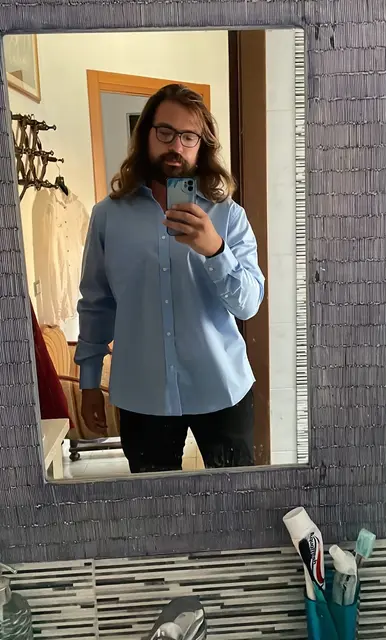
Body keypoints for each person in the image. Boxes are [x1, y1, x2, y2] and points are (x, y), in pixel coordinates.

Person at [75, 83, 264, 473]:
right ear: (146, 133)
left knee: (234, 502)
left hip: (221, 387)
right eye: (166, 132)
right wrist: (89, 382)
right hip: (143, 394)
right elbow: (96, 304)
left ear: (201, 146)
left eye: (188, 136)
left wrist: (215, 250)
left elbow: (248, 304)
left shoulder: (228, 216)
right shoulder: (108, 216)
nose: (176, 146)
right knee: (154, 506)